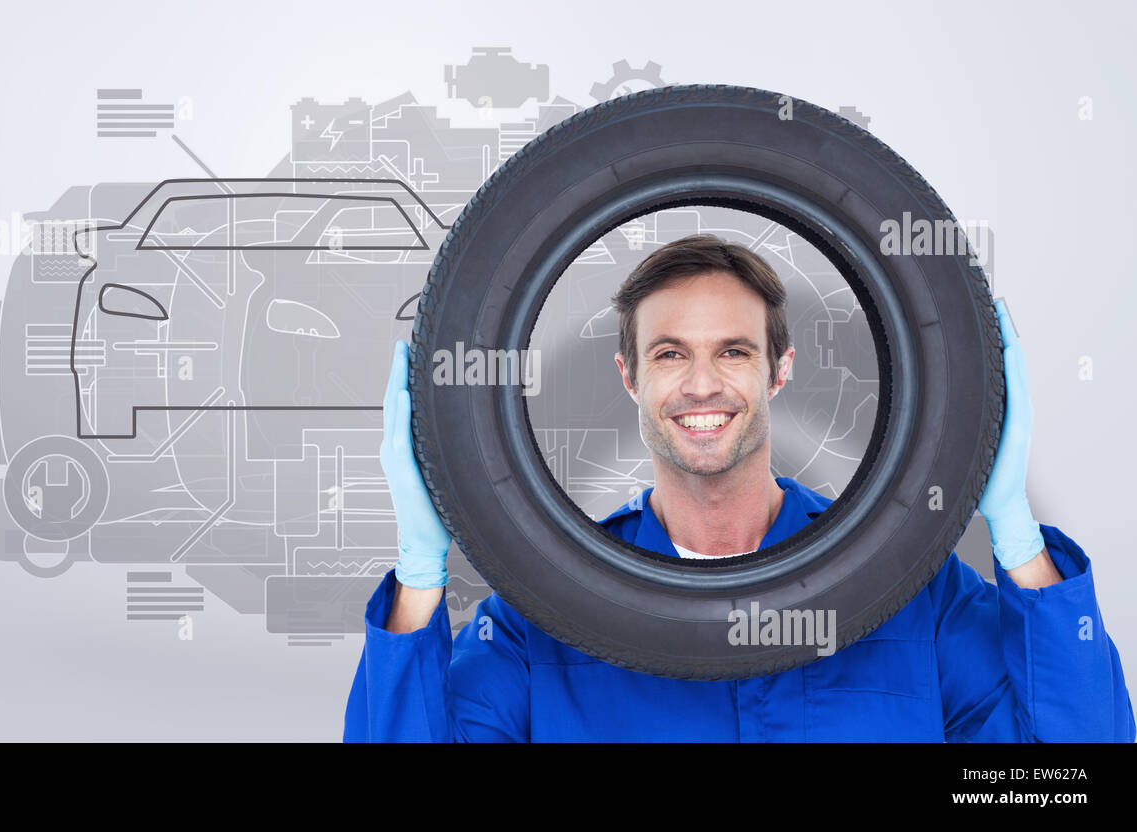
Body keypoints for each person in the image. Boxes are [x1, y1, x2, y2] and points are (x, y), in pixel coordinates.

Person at [343, 234, 1135, 742]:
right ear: (629, 376)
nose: (701, 384)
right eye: (669, 354)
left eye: (732, 351)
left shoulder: (908, 591)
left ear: (778, 369)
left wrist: (1017, 535)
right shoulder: (542, 615)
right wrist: (420, 572)